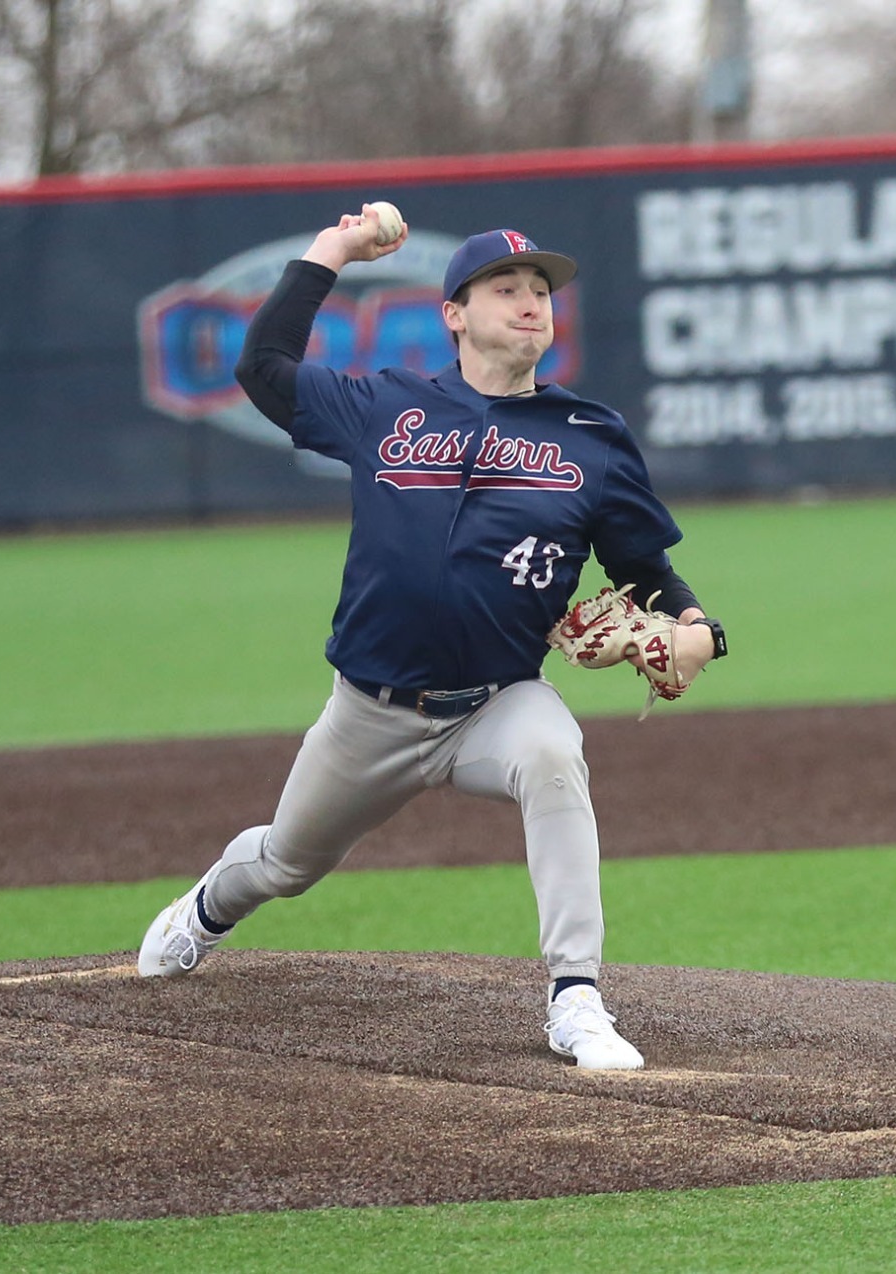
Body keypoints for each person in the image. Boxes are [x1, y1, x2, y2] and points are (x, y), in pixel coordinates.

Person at [136, 208, 728, 1071]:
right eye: (506, 289)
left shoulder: (592, 439)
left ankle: (577, 998)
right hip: (370, 712)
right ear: (452, 313)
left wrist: (700, 632)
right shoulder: (386, 405)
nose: (531, 304)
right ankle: (209, 910)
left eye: (541, 291)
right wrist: (331, 251)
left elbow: (648, 573)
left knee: (554, 755)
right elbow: (261, 368)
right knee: (285, 863)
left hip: (496, 703)